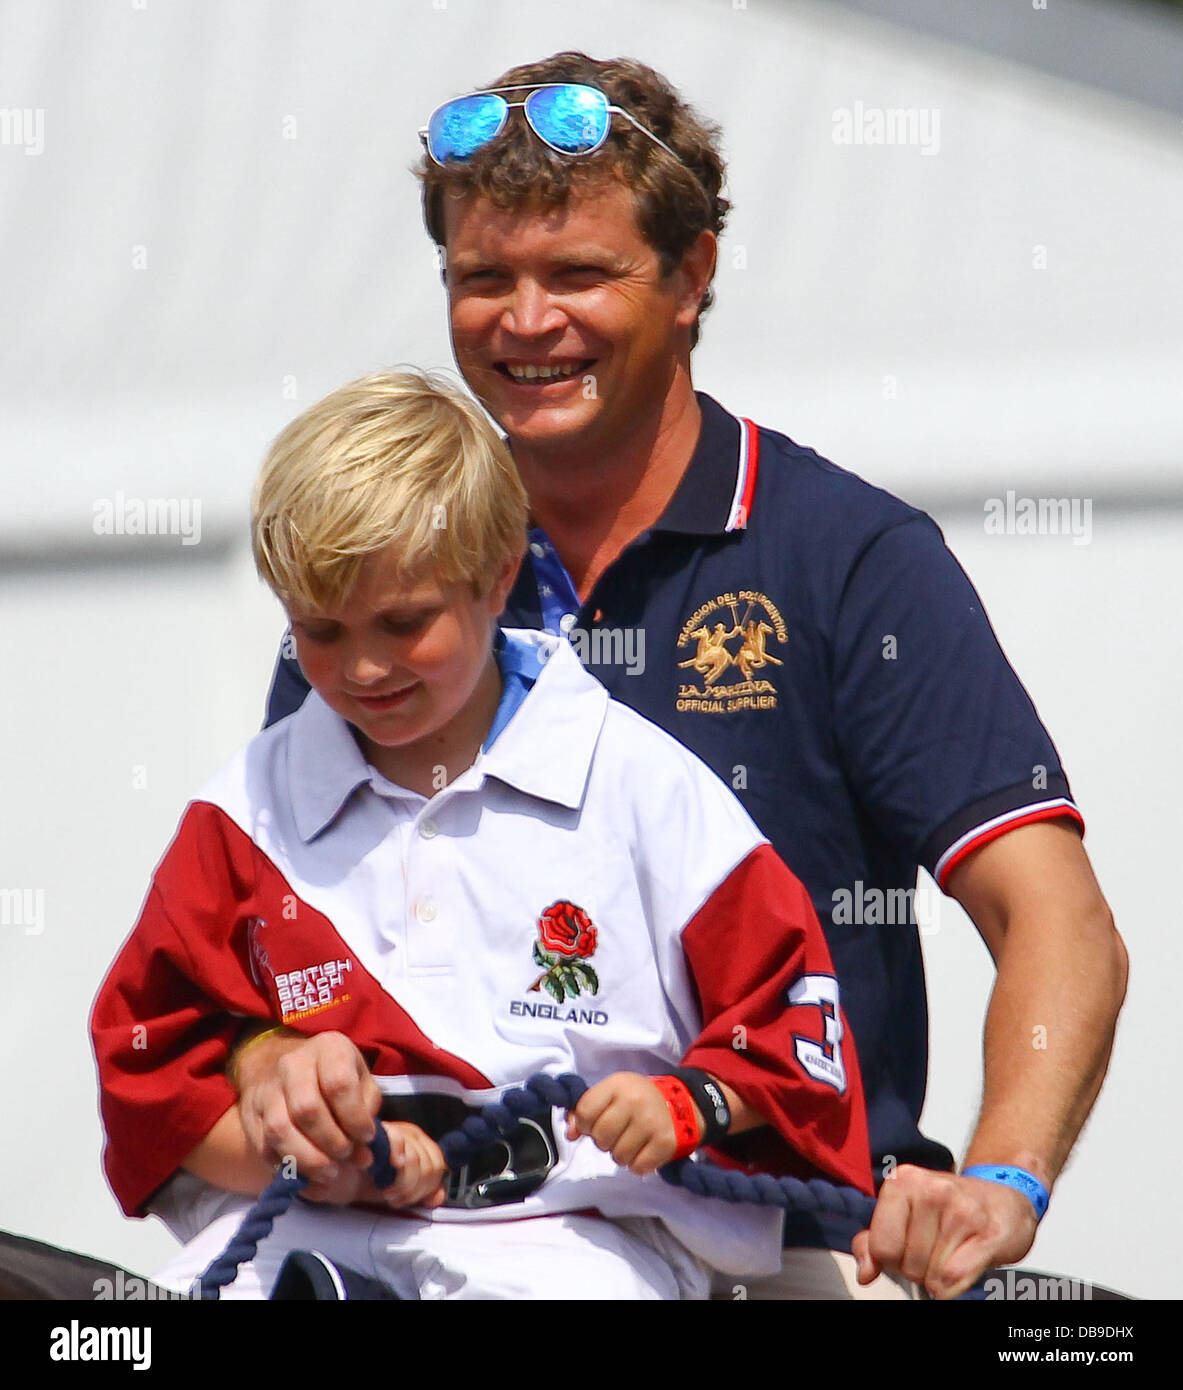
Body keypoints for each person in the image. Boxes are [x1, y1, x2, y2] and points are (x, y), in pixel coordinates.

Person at [249, 53, 1128, 1301]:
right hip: (451, 1236)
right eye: (483, 278)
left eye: (579, 274)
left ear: (692, 277)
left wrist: (1004, 1178)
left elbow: (1057, 922)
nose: (525, 318)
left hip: (788, 1247)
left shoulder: (846, 560)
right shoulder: (378, 580)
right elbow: (277, 951)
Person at [90, 369, 873, 1301]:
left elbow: (799, 1034)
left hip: (578, 1240)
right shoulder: (241, 816)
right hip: (302, 1231)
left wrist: (687, 1102)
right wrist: (292, 1128)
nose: (364, 666)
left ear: (500, 574)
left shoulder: (642, 789)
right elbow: (148, 1075)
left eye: (403, 621)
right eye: (321, 631)